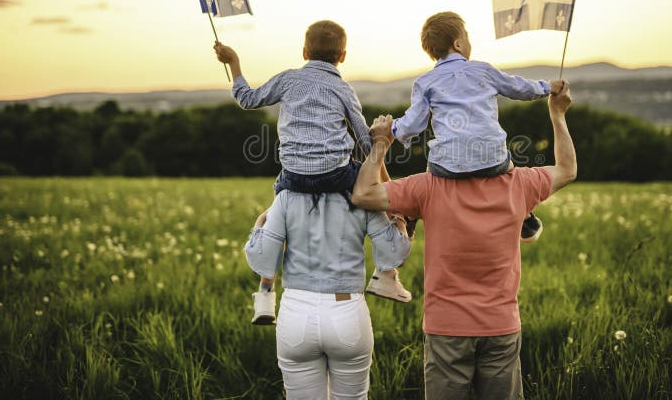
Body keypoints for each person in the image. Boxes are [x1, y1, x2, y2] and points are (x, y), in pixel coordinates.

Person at [351, 81, 577, 399]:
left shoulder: (428, 187)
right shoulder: (519, 184)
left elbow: (363, 193)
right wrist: (557, 114)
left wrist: (380, 145)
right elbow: (567, 169)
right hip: (501, 325)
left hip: (446, 328)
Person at [214, 20, 412, 324]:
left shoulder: (288, 80)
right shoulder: (342, 88)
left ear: (304, 51)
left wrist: (234, 62)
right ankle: (386, 273)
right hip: (336, 174)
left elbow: (247, 99)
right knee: (370, 190)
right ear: (342, 56)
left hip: (292, 177)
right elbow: (364, 141)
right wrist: (389, 189)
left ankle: (266, 292)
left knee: (277, 209)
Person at [391, 11, 562, 243]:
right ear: (459, 43)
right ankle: (524, 216)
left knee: (432, 169)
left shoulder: (425, 82)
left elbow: (413, 124)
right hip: (493, 161)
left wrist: (392, 129)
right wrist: (547, 87)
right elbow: (519, 88)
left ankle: (411, 215)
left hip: (447, 167)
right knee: (508, 166)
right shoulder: (483, 70)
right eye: (468, 36)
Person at [245, 187, 411, 399]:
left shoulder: (286, 197)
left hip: (296, 313)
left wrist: (259, 225)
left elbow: (263, 259)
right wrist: (400, 219)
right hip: (347, 311)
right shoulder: (360, 195)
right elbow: (394, 253)